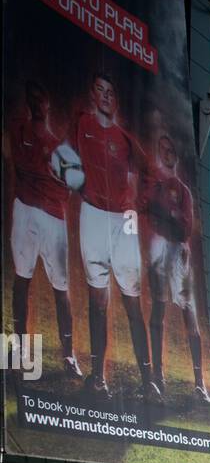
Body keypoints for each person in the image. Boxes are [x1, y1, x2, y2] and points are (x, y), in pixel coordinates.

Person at [71, 72, 160, 401]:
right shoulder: (81, 123)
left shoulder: (124, 138)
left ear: (116, 99)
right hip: (92, 215)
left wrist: (138, 203)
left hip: (123, 221)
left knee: (132, 301)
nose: (105, 95)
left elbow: (148, 172)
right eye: (100, 89)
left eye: (111, 91)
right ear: (92, 94)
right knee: (97, 299)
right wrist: (75, 182)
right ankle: (98, 378)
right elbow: (65, 155)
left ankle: (148, 379)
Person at [8, 80, 82, 380]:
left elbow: (72, 187)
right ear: (29, 102)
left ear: (48, 105)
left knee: (60, 287)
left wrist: (54, 180)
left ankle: (68, 355)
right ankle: (17, 350)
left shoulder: (59, 148)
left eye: (42, 100)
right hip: (25, 209)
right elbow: (20, 166)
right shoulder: (19, 130)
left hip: (53, 218)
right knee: (21, 278)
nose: (38, 105)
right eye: (33, 99)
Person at [143, 133, 210, 403]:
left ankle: (200, 383)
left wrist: (167, 215)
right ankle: (157, 378)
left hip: (179, 252)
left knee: (189, 315)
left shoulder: (182, 190)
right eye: (162, 149)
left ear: (176, 155)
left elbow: (184, 227)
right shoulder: (154, 184)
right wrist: (163, 216)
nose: (166, 153)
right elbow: (147, 209)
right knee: (157, 309)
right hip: (159, 248)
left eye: (170, 149)